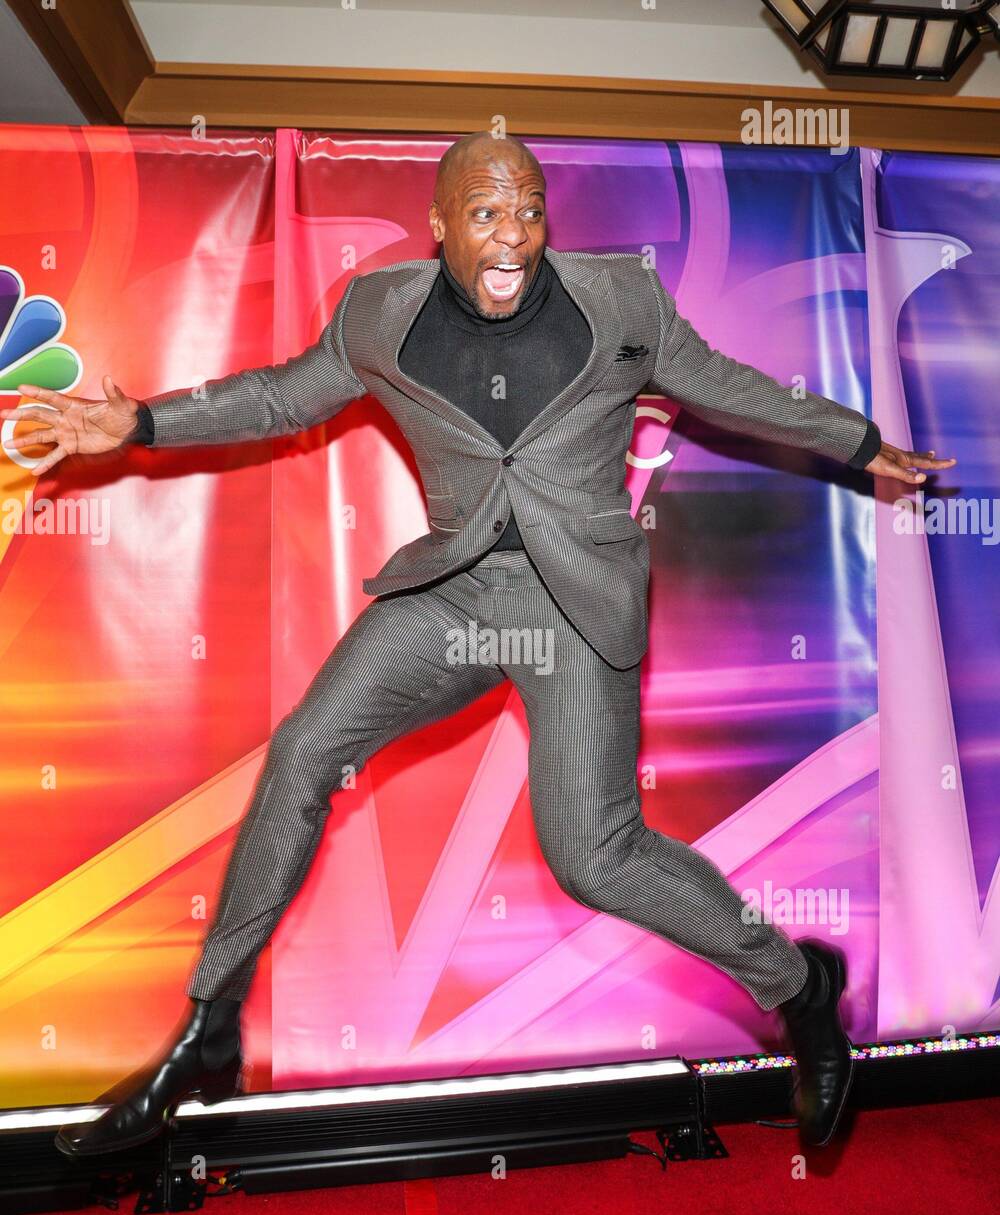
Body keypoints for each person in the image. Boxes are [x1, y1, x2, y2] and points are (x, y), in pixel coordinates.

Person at [3, 133, 955, 1159]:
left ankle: (798, 987)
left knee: (595, 857)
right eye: (489, 214)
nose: (513, 236)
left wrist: (860, 442)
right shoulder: (380, 314)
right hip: (454, 590)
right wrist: (141, 420)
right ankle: (209, 1030)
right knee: (303, 751)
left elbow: (726, 384)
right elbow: (284, 393)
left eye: (530, 212)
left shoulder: (617, 302)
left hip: (574, 605)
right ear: (442, 222)